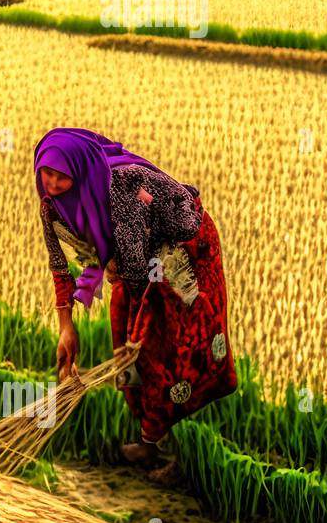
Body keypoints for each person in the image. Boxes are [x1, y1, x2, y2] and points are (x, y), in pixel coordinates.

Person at [35, 128, 236, 480]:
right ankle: (150, 440)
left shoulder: (123, 190)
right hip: (135, 260)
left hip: (183, 251)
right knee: (125, 346)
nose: (51, 183)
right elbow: (58, 265)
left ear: (81, 170)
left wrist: (139, 333)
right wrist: (66, 327)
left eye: (61, 175)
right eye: (46, 173)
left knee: (167, 350)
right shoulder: (51, 207)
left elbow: (139, 273)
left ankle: (182, 454)